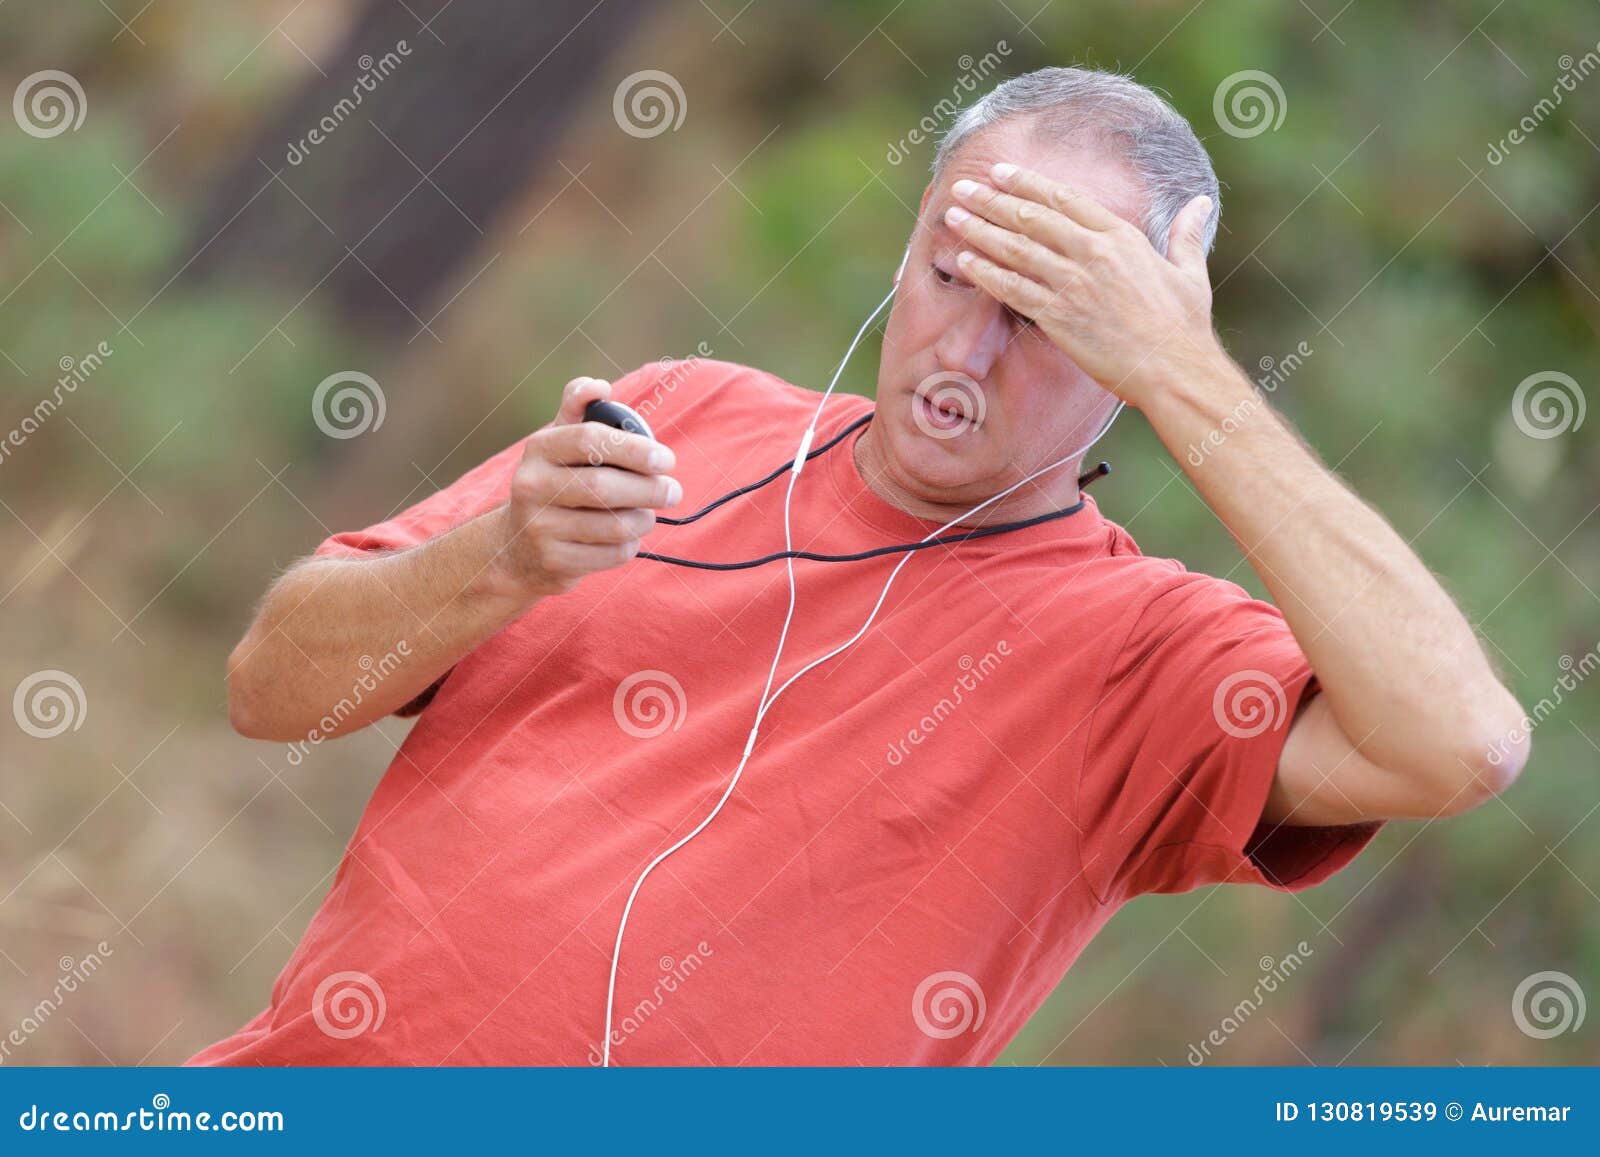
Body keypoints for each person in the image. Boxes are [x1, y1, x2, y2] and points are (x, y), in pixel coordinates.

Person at [195, 66, 1529, 1066]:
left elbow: (1460, 742)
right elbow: (272, 688)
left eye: (1051, 314)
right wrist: (496, 558)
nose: (969, 350)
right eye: (955, 276)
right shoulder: (681, 412)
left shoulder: (1141, 652)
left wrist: (1191, 375)